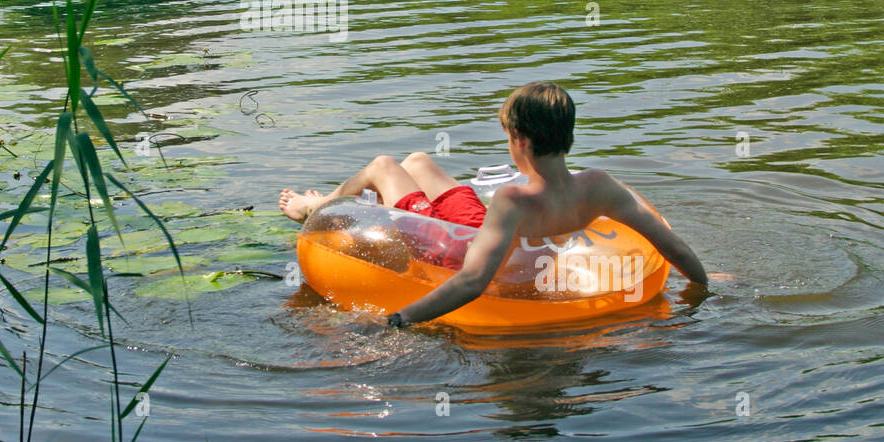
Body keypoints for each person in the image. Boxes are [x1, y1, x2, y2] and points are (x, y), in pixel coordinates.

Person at [278, 81, 708, 326]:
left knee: (385, 164)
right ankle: (328, 197)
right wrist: (701, 283)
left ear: (519, 141)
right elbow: (671, 244)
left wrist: (399, 320)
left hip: (451, 248)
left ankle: (314, 206)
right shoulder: (598, 185)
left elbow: (472, 281)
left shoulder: (513, 199)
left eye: (508, 137)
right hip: (487, 231)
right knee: (420, 162)